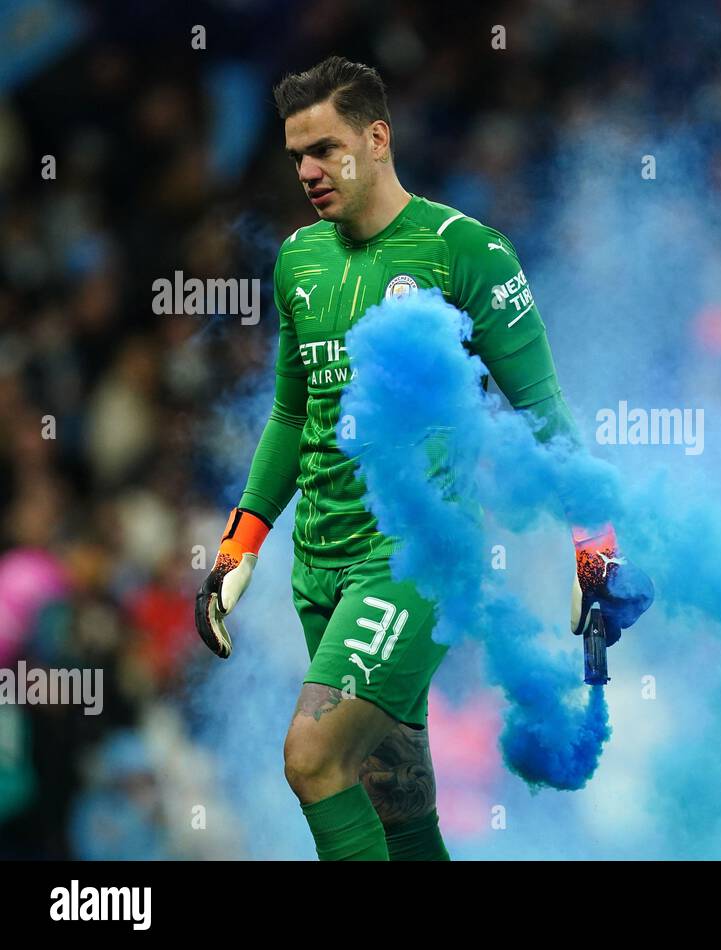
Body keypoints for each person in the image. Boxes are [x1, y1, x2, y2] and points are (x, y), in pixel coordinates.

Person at [193, 56, 651, 861]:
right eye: (295, 153)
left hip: (412, 562)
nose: (307, 171)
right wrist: (242, 544)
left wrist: (595, 544)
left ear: (376, 139)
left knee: (312, 758)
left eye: (325, 148)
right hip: (320, 569)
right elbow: (292, 414)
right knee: (393, 800)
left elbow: (543, 411)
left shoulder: (463, 251)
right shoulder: (299, 261)